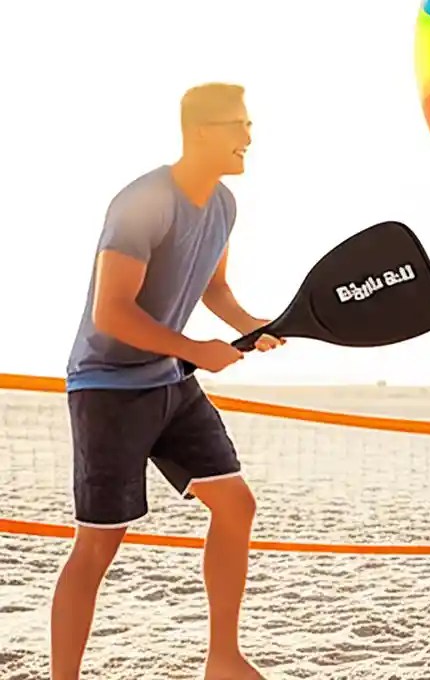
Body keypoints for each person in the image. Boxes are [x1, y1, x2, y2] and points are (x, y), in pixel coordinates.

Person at [51, 83, 282, 680]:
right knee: (99, 543)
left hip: (168, 381)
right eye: (239, 125)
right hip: (107, 388)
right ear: (202, 131)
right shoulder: (142, 202)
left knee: (235, 504)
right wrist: (196, 350)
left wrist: (251, 326)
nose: (249, 137)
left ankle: (223, 659)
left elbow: (215, 288)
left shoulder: (224, 205)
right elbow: (111, 312)